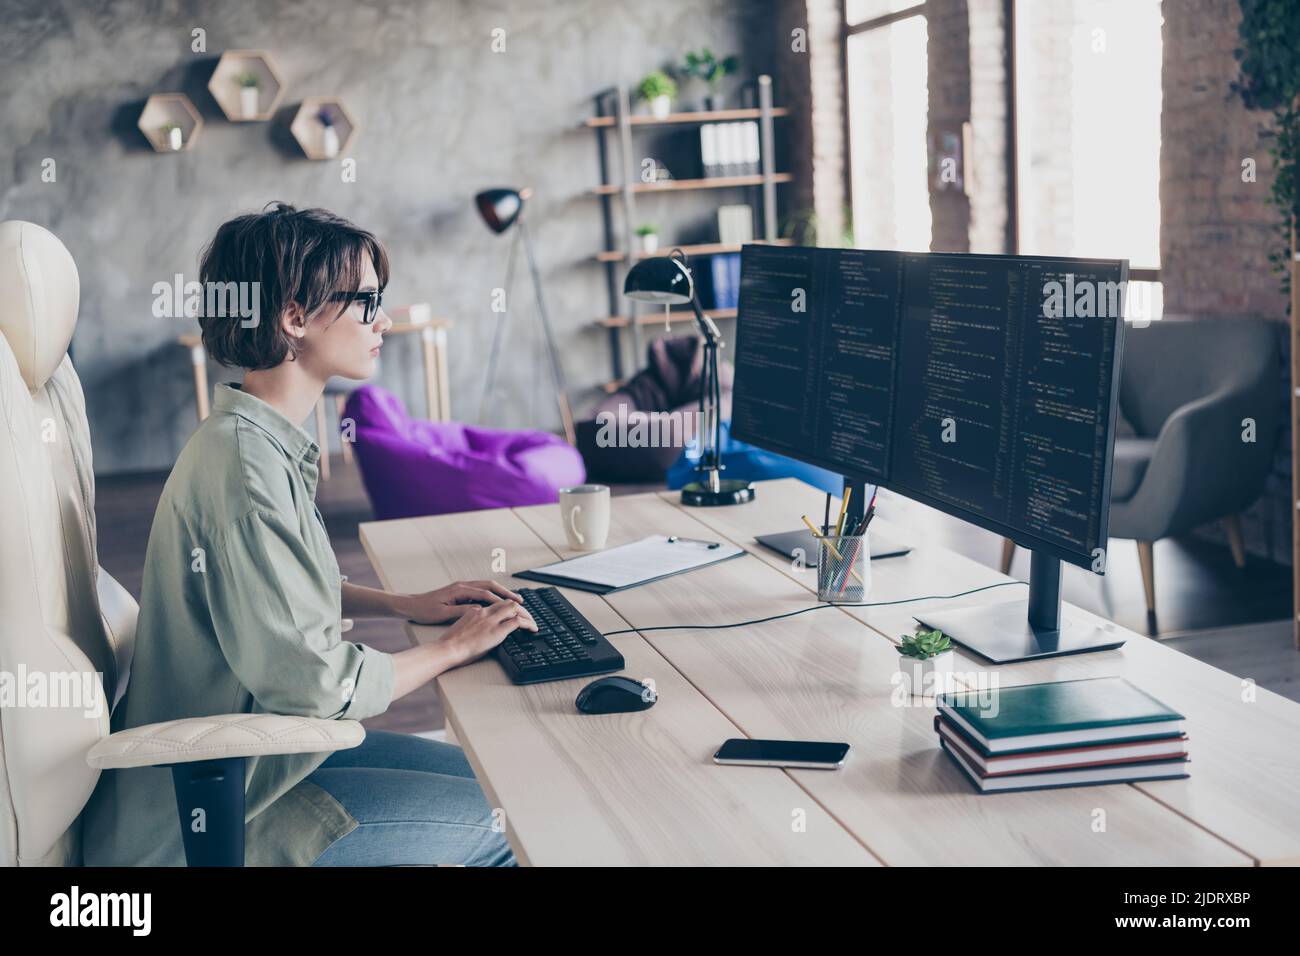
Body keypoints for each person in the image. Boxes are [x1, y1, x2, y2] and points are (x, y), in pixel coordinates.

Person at [84, 203, 531, 866]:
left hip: (266, 759)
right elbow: (317, 685)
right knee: (516, 827)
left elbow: (277, 591)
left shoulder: (257, 442)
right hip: (221, 810)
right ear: (294, 318)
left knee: (501, 787)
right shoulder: (246, 470)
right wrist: (454, 649)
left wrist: (404, 606)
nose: (383, 320)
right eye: (367, 302)